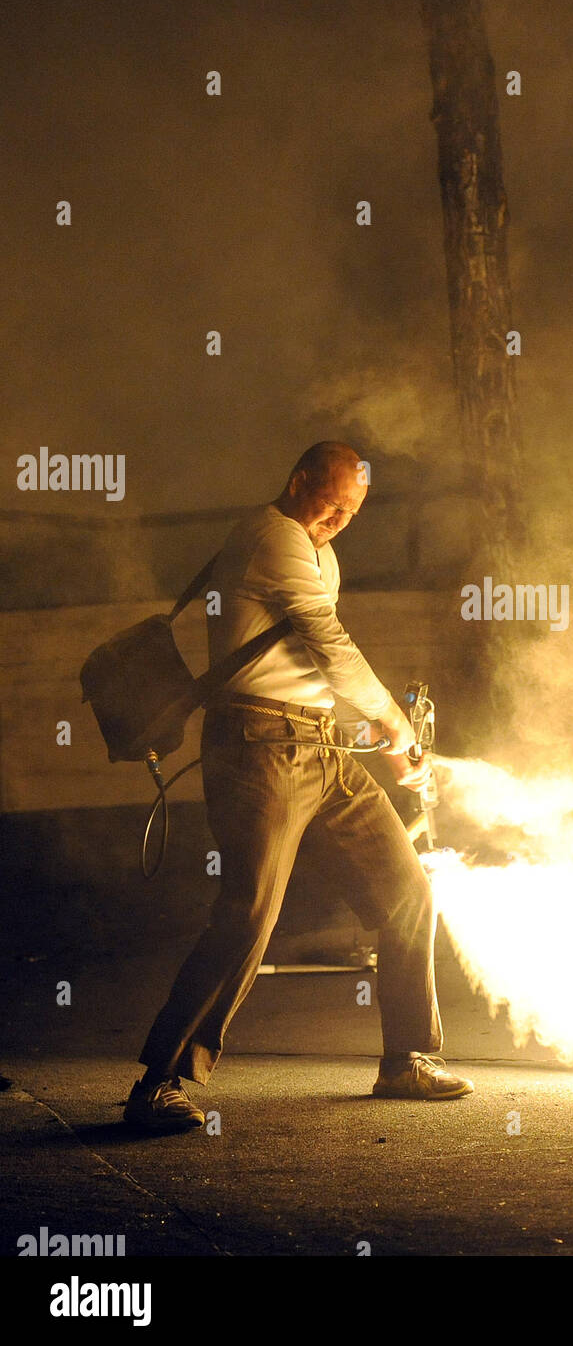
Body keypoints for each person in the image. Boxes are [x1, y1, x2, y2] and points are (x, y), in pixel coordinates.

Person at [124, 442, 472, 1133]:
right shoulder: (271, 536)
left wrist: (368, 735)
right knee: (248, 913)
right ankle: (157, 1084)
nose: (339, 519)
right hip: (259, 748)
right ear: (296, 482)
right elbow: (328, 641)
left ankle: (405, 1058)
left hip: (319, 746)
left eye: (352, 511)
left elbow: (309, 667)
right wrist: (395, 725)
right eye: (331, 503)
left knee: (406, 890)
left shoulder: (319, 550)